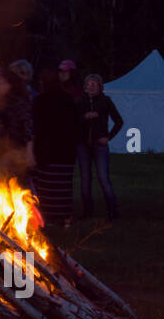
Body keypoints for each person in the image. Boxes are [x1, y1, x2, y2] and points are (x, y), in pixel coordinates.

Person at [31, 70, 81, 227]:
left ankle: (50, 217)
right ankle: (65, 217)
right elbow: (75, 123)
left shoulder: (40, 101)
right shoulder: (68, 100)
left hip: (47, 151)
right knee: (63, 186)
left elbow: (36, 125)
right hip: (66, 151)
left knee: (48, 186)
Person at [77, 74, 123, 220]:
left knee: (103, 177)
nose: (90, 87)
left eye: (94, 84)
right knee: (85, 179)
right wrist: (84, 117)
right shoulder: (80, 101)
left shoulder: (105, 101)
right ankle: (87, 212)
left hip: (99, 145)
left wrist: (108, 137)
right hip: (83, 144)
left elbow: (119, 121)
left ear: (100, 87)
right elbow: (73, 120)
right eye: (88, 84)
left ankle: (113, 211)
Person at [0, 67, 34, 182]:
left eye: (0, 82)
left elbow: (29, 128)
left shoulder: (19, 103)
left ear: (10, 85)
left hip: (17, 150)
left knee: (10, 180)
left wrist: (29, 152)